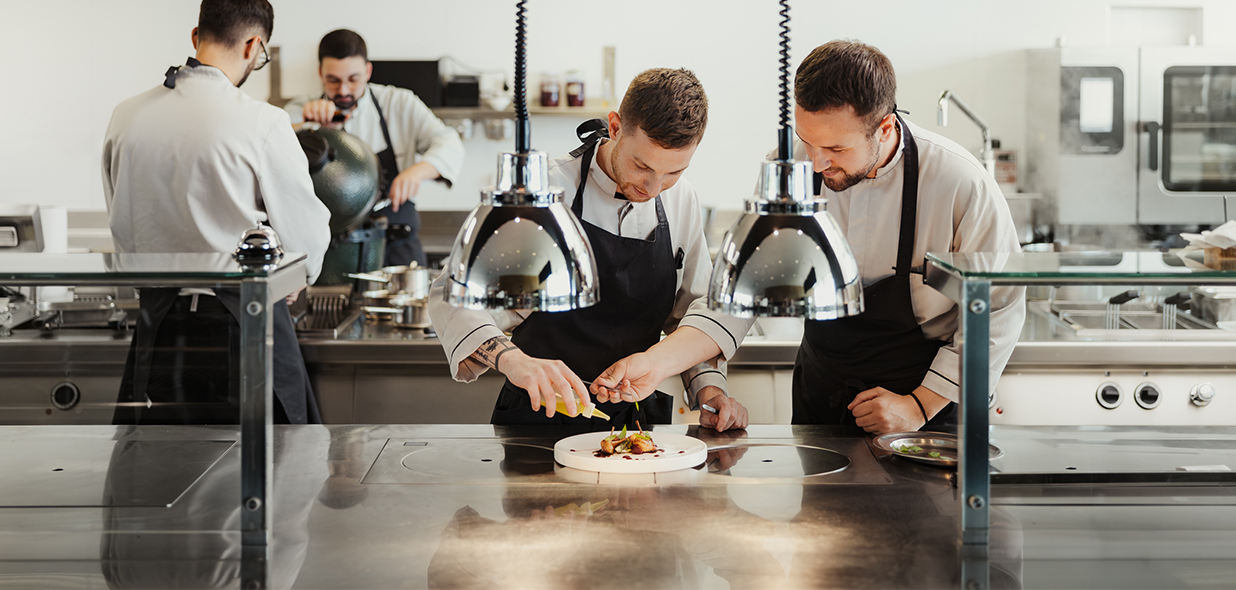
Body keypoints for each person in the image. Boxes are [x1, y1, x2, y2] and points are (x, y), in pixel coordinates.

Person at [428, 68, 751, 432]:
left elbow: (691, 315)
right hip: (537, 420)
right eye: (642, 165)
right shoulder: (543, 192)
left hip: (636, 427)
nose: (653, 187)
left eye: (673, 172)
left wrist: (710, 390)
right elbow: (449, 296)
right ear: (615, 127)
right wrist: (514, 361)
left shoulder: (682, 199)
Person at [102, 0, 331, 425]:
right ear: (254, 46)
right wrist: (296, 277)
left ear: (196, 36)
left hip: (159, 327)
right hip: (245, 324)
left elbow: (121, 224)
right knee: (268, 461)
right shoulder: (263, 122)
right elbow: (306, 243)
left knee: (160, 459)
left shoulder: (126, 117)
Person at [788, 40, 1024, 433]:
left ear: (884, 128)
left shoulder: (959, 182)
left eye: (835, 148)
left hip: (925, 404)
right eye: (807, 142)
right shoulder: (793, 167)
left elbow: (999, 307)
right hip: (820, 396)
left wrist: (918, 406)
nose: (816, 163)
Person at [286, 30, 464, 267]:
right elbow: (271, 145)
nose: (344, 90)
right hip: (330, 251)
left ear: (368, 71)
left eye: (353, 79)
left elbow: (449, 142)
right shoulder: (302, 109)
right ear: (320, 73)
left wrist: (417, 172)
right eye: (333, 80)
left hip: (395, 242)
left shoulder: (399, 104)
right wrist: (308, 126)